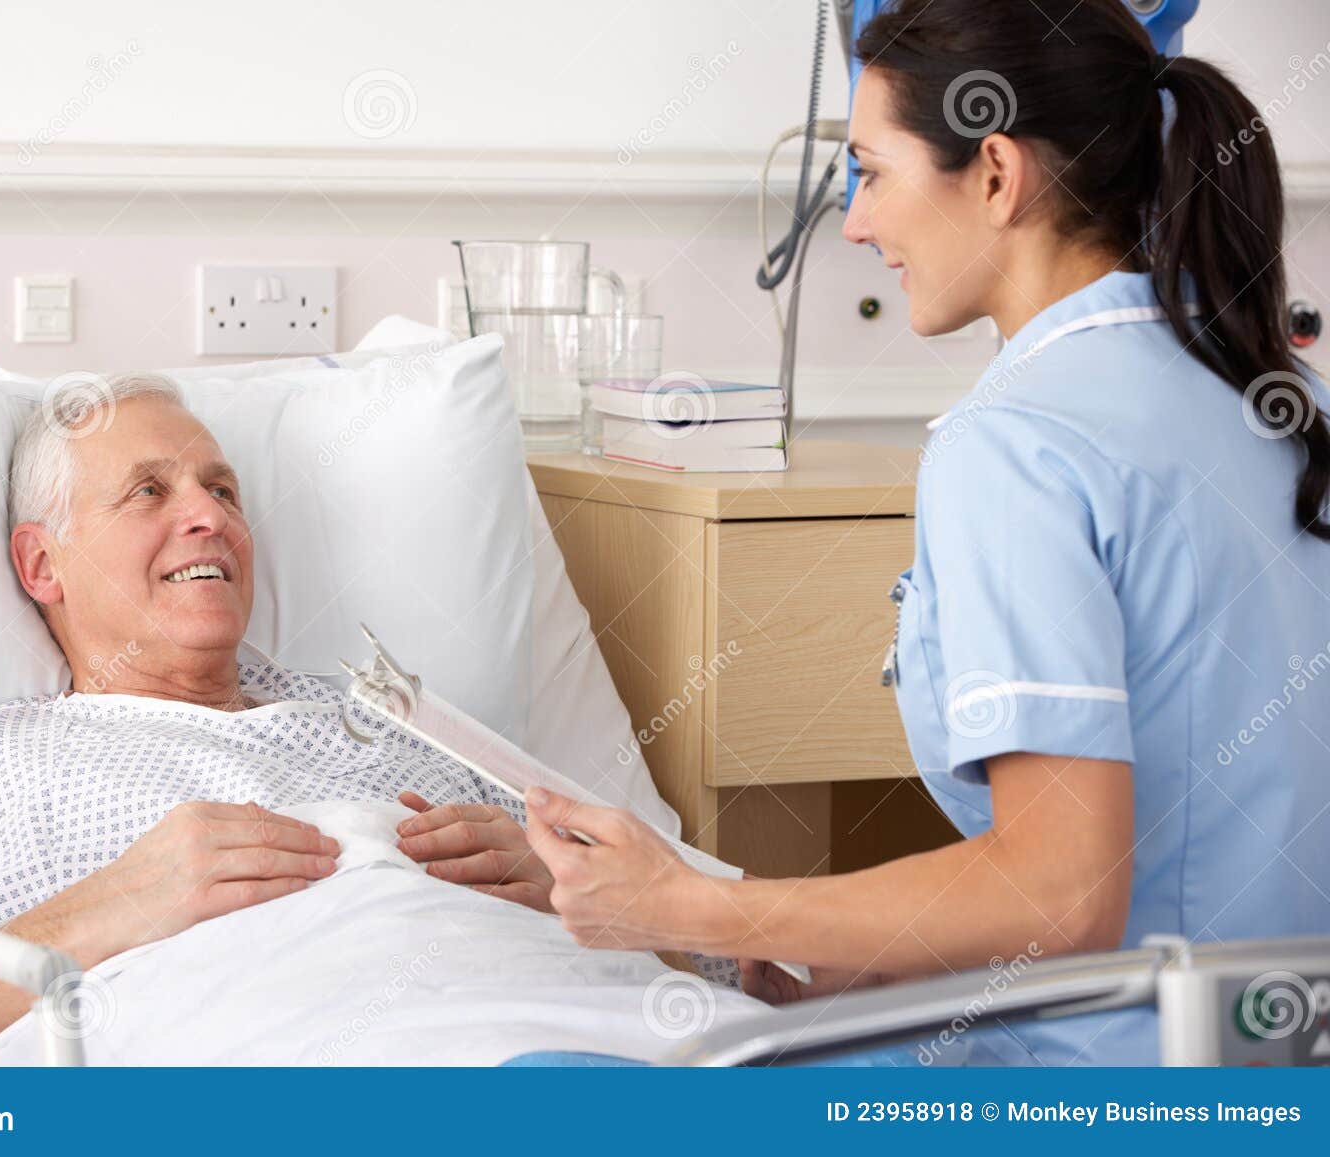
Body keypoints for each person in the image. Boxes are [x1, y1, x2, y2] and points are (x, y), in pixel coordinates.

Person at [524, 0, 1330, 1066]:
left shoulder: (1018, 447)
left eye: (871, 172)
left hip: (1122, 1084)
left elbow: (1061, 893)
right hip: (1283, 1059)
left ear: (995, 174)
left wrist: (685, 905)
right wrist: (871, 954)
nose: (855, 223)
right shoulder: (1288, 400)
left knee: (523, 1092)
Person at [0, 373, 596, 1067]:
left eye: (222, 490)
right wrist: (114, 906)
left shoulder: (387, 723)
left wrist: (573, 887)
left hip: (598, 1030)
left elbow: (671, 932)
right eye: (149, 491)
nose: (212, 518)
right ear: (42, 564)